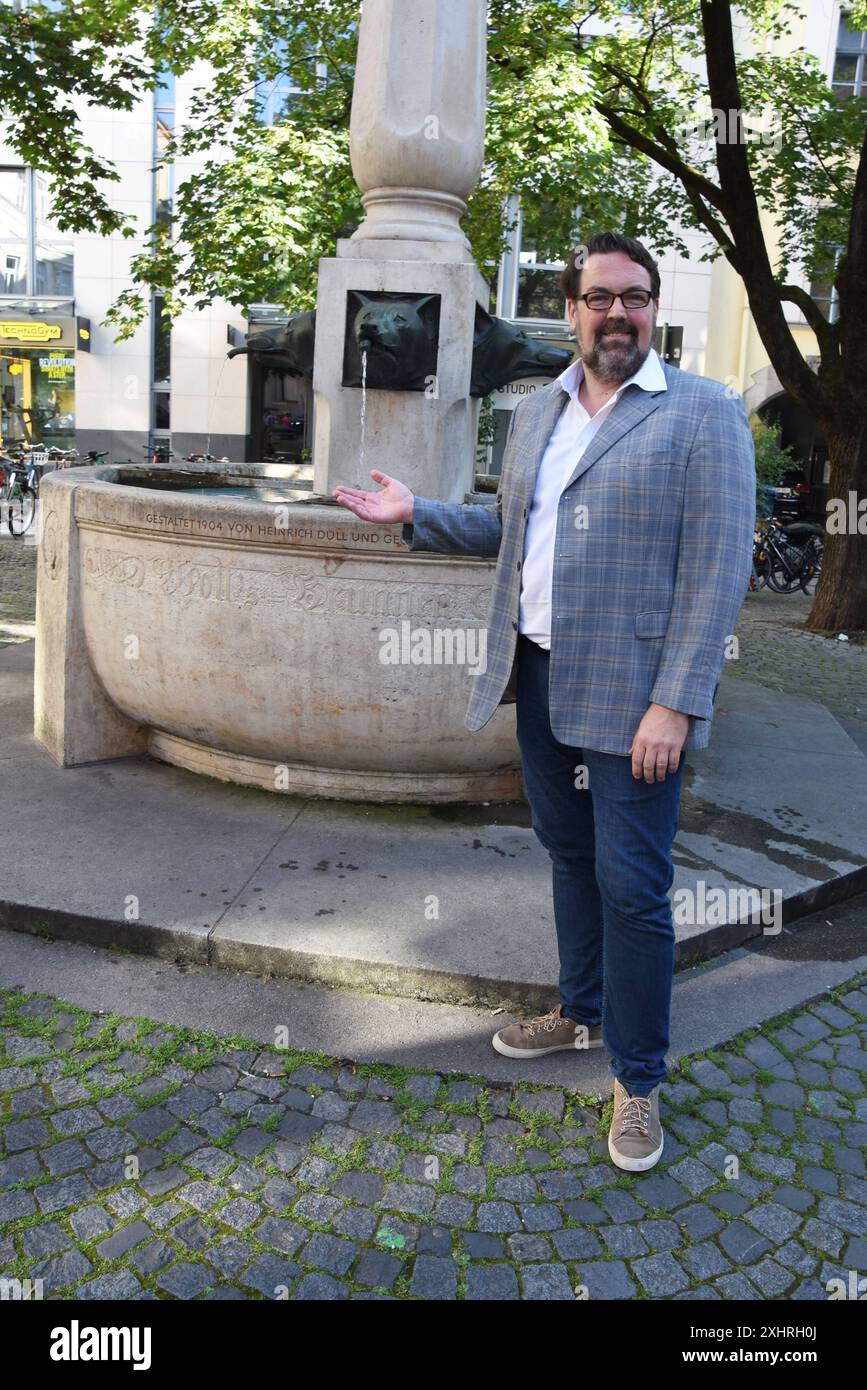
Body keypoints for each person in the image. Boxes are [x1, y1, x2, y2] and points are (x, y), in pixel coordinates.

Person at [333, 231, 755, 1172]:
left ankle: (638, 1079)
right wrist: (419, 516)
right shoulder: (535, 412)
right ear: (569, 310)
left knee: (635, 890)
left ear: (654, 309)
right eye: (598, 298)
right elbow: (515, 527)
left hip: (636, 697)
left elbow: (718, 570)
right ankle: (579, 1013)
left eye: (634, 298)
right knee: (568, 856)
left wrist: (677, 703)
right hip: (541, 676)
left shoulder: (703, 414)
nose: (616, 314)